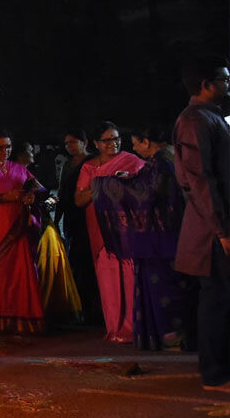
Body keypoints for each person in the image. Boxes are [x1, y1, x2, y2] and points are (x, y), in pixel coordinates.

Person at [91, 127, 196, 350]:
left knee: (166, 289)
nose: (135, 148)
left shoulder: (161, 163)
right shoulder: (174, 157)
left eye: (136, 143)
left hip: (161, 241)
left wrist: (105, 184)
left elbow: (144, 194)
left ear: (147, 142)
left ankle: (174, 338)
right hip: (178, 235)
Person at [173, 56, 230, 391]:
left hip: (218, 226)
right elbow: (199, 180)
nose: (228, 84)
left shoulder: (211, 117)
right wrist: (222, 229)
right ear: (206, 85)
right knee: (218, 299)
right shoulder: (195, 120)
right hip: (213, 232)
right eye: (224, 79)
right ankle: (215, 374)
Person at [0, 130, 47, 334]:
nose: (6, 151)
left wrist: (31, 196)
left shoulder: (18, 169)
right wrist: (4, 197)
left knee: (23, 271)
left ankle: (24, 317)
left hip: (17, 228)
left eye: (9, 147)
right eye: (1, 147)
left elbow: (40, 190)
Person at [76, 121, 141, 343]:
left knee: (131, 276)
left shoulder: (132, 162)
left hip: (126, 227)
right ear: (96, 144)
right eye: (107, 140)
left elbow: (145, 191)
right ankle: (115, 328)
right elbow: (79, 199)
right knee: (108, 277)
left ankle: (135, 328)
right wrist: (102, 184)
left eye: (116, 139)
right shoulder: (89, 168)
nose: (113, 144)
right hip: (100, 229)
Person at [56, 129, 101, 326]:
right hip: (71, 217)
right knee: (75, 260)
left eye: (73, 142)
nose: (69, 147)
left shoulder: (92, 162)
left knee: (89, 262)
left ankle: (94, 310)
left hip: (87, 215)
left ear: (85, 142)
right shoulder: (67, 165)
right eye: (66, 143)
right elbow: (62, 191)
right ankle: (79, 308)